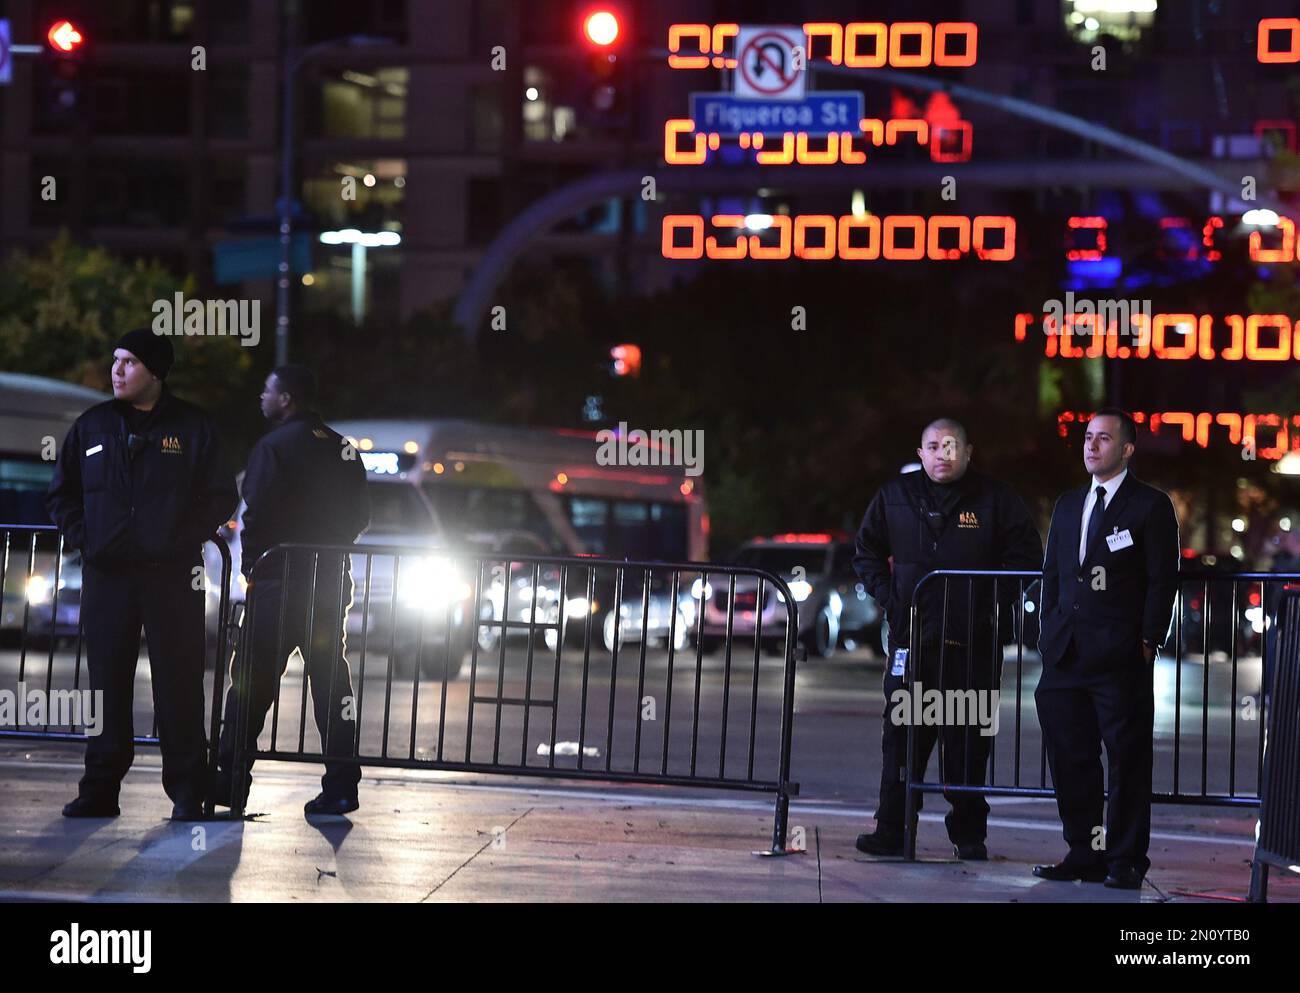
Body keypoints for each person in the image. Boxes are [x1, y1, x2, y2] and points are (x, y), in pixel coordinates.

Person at [46, 329, 237, 820]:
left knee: (179, 683)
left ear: (155, 372)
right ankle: (100, 790)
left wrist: (179, 537)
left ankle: (189, 791)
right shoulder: (92, 427)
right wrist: (86, 537)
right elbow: (62, 493)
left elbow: (220, 495)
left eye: (129, 362)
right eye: (115, 361)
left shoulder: (194, 428)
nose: (117, 370)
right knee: (106, 683)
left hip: (173, 577)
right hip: (108, 577)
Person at [853, 418, 1042, 859]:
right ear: (920, 453)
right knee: (902, 739)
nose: (943, 453)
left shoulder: (997, 500)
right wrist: (891, 599)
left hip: (972, 645)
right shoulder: (894, 497)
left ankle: (969, 836)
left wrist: (989, 599)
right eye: (934, 446)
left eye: (952, 445)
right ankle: (892, 831)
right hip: (913, 643)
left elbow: (1027, 557)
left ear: (969, 452)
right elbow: (866, 552)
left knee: (969, 742)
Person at [214, 364, 370, 817]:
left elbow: (256, 513)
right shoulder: (343, 448)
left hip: (279, 581)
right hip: (328, 581)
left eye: (267, 391)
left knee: (250, 682)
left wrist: (252, 568)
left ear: (287, 399)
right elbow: (361, 514)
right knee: (330, 683)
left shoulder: (273, 447)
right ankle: (342, 786)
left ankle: (229, 781)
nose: (261, 398)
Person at [1033, 407, 1179, 889]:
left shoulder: (1150, 506)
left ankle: (1126, 860)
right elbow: (1054, 574)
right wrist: (1049, 628)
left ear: (1127, 449)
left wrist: (1147, 640)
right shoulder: (1070, 503)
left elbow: (1162, 580)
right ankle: (1083, 851)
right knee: (1071, 758)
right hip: (1065, 655)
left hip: (1119, 656)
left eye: (1103, 438)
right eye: (1088, 437)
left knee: (1127, 760)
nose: (1091, 446)